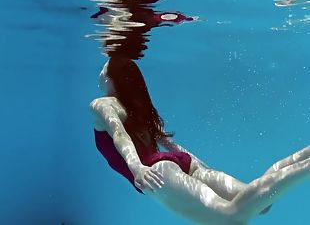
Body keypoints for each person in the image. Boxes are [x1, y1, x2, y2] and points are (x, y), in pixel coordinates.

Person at [90, 57, 310, 225]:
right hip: (179, 165)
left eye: (102, 68)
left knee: (230, 217)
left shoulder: (102, 104)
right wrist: (202, 168)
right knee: (262, 204)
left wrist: (137, 169)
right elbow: (172, 147)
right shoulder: (139, 109)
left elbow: (120, 135)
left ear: (110, 77)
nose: (99, 72)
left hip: (155, 173)